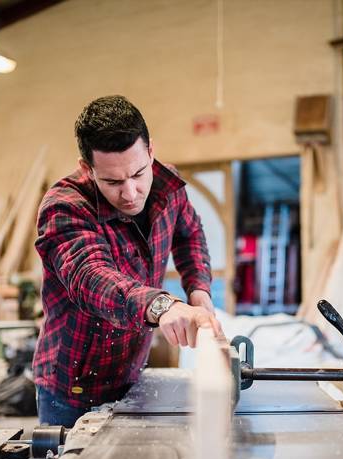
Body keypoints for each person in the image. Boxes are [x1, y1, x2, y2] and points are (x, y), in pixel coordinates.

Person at [33, 95, 223, 426]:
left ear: (150, 152)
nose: (131, 193)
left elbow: (189, 234)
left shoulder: (167, 186)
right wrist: (164, 306)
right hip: (72, 388)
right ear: (87, 169)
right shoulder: (65, 207)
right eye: (113, 181)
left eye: (138, 173)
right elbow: (92, 277)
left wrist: (199, 289)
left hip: (131, 372)